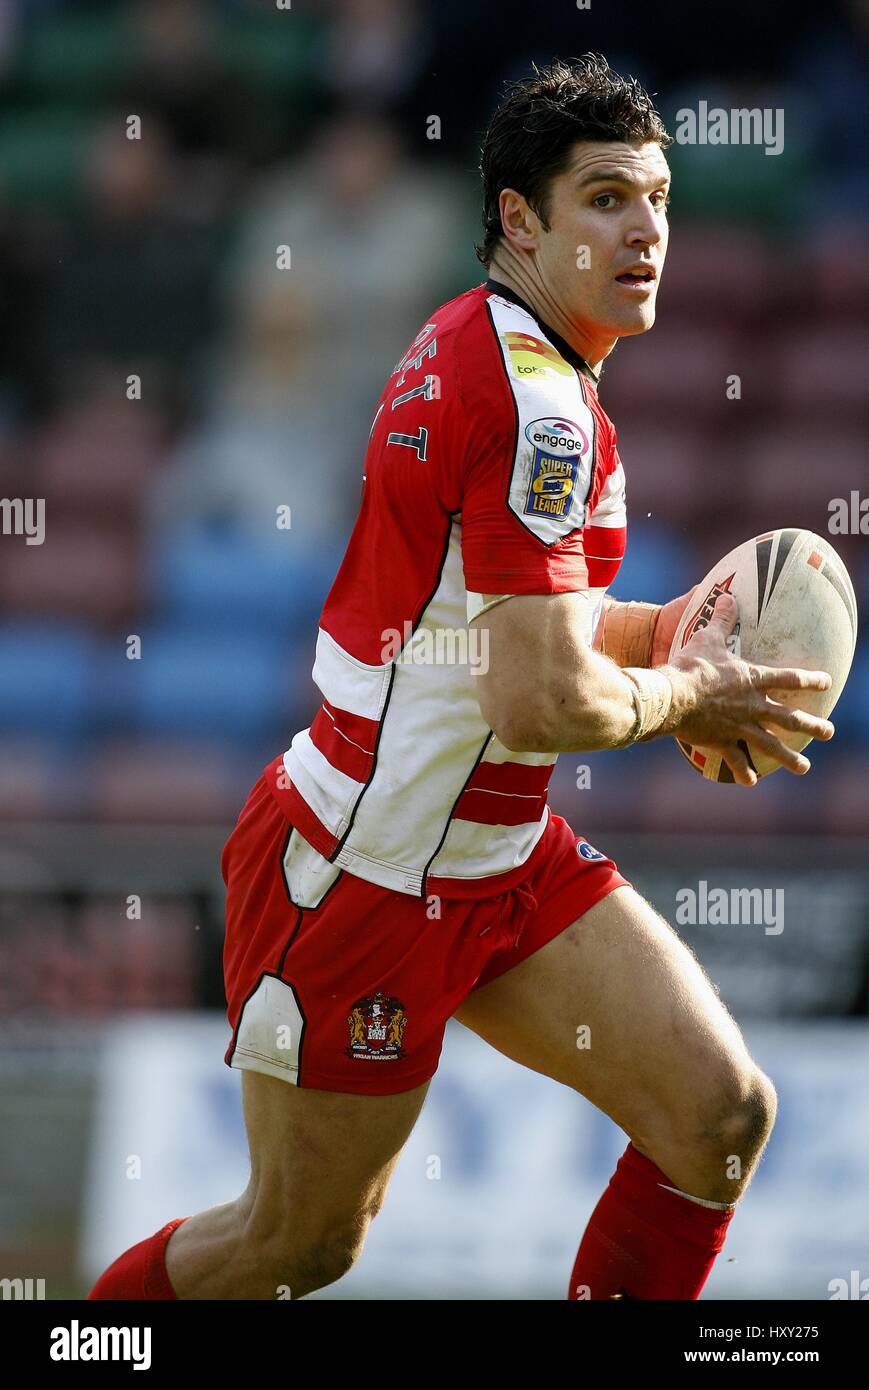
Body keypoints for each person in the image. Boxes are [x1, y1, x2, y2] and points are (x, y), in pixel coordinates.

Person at [89, 54, 834, 1302]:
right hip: (365, 876)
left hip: (493, 856)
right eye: (604, 198)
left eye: (657, 198)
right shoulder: (537, 401)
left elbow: (512, 636)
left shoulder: (493, 350)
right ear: (518, 219)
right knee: (294, 1246)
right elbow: (537, 701)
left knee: (715, 1117)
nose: (644, 228)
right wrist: (695, 696)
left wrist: (677, 643)